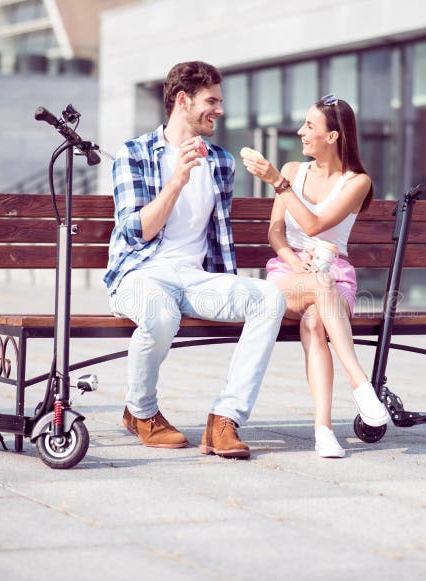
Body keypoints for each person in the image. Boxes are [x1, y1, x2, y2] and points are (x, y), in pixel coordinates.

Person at [105, 61, 287, 460]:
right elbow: (136, 232)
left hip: (195, 279)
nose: (220, 110)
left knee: (269, 299)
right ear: (183, 101)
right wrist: (176, 181)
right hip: (139, 275)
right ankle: (141, 413)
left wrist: (229, 288)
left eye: (220, 101)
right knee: (160, 312)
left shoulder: (221, 161)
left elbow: (218, 238)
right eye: (212, 101)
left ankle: (224, 420)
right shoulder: (134, 153)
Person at [243, 94, 389, 458]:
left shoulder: (358, 182)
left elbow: (314, 225)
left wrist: (277, 182)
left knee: (313, 324)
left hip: (335, 276)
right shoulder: (294, 170)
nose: (301, 132)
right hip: (288, 274)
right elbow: (276, 231)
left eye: (310, 126)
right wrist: (295, 263)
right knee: (317, 288)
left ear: (333, 136)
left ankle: (323, 429)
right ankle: (361, 385)